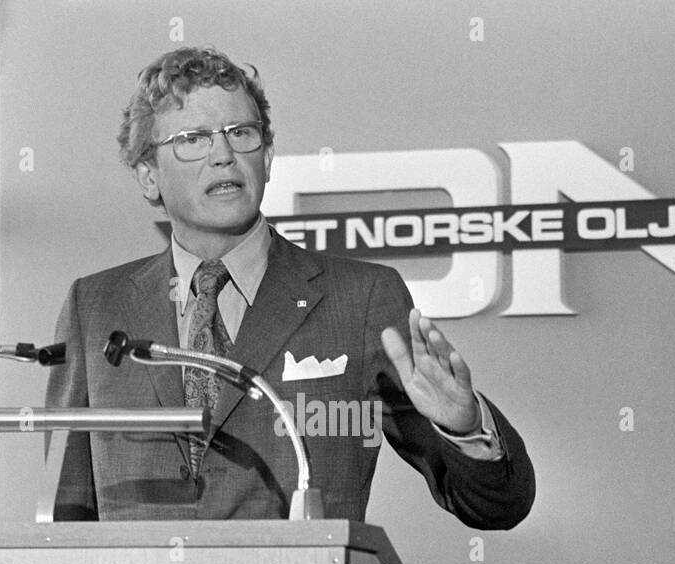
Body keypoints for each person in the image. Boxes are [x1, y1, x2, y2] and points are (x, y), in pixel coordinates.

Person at [45, 47, 534, 528]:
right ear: (149, 176)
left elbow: (493, 505)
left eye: (242, 133)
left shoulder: (361, 298)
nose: (224, 155)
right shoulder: (96, 306)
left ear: (269, 157)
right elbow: (66, 510)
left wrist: (465, 427)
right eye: (193, 139)